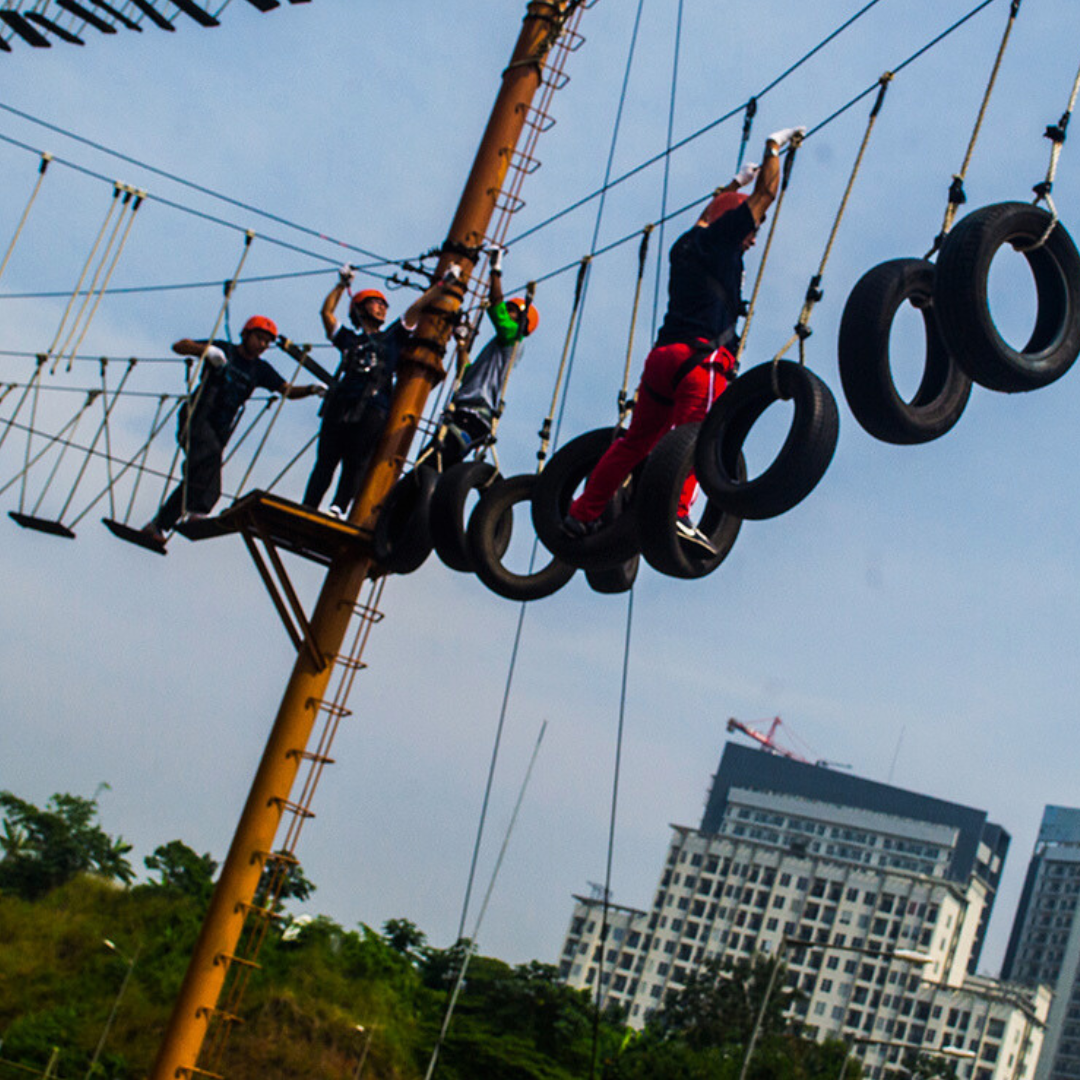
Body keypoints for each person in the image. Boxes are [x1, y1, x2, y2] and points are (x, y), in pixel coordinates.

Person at [563, 125, 805, 550]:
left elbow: (711, 214)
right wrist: (773, 147)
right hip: (701, 362)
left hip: (662, 362)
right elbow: (766, 195)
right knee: (701, 434)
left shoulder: (685, 245)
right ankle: (676, 513)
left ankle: (583, 513)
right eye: (753, 228)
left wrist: (734, 184)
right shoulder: (723, 241)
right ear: (735, 221)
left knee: (635, 442)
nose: (753, 237)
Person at [145, 315, 324, 541]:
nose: (262, 345)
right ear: (246, 335)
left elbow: (285, 390)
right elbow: (180, 346)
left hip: (221, 426)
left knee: (198, 475)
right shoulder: (224, 349)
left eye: (267, 342)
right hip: (198, 416)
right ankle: (198, 511)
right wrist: (206, 352)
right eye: (259, 338)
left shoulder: (260, 369)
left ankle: (158, 525)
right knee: (208, 466)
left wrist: (310, 389)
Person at [302, 265, 458, 517]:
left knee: (356, 461)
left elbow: (415, 310)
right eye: (375, 303)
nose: (382, 307)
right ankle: (309, 504)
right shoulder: (349, 339)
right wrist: (341, 285)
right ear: (361, 308)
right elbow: (327, 313)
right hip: (341, 404)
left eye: (383, 304)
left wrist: (443, 286)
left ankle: (339, 507)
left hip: (374, 408)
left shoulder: (393, 337)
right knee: (326, 461)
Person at [428, 245, 538, 469]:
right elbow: (465, 374)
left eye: (513, 311)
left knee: (433, 463)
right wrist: (461, 344)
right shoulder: (496, 350)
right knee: (437, 466)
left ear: (522, 324)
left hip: (473, 417)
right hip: (462, 414)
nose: (507, 313)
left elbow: (495, 308)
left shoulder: (513, 340)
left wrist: (495, 270)